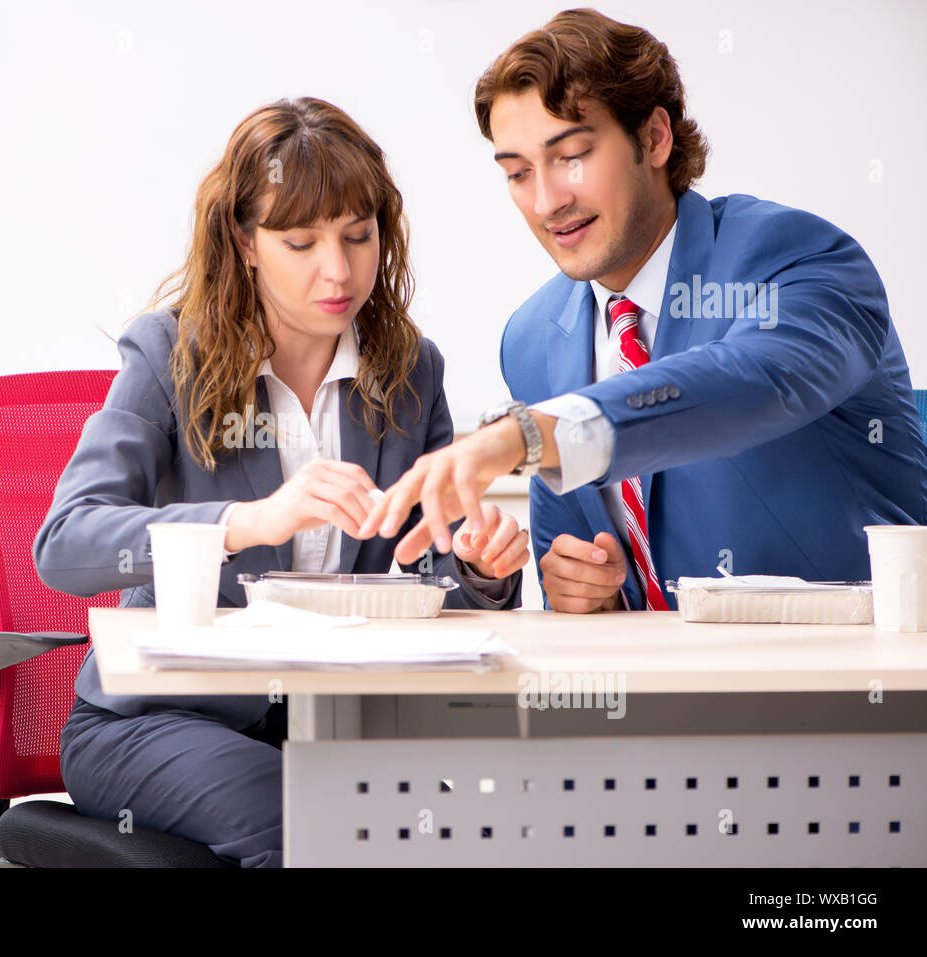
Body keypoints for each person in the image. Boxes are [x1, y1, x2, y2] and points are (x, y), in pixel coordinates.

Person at [33, 96, 529, 868]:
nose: (339, 270)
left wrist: (478, 570)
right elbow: (64, 545)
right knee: (319, 823)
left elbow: (428, 587)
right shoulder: (168, 354)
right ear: (245, 241)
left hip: (333, 721)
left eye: (358, 237)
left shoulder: (409, 373)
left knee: (485, 813)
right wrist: (250, 520)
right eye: (301, 242)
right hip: (157, 721)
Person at [359, 8, 927, 613]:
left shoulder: (799, 260)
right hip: (657, 694)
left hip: (855, 681)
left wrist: (524, 436)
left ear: (654, 138)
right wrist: (585, 590)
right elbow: (574, 568)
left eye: (572, 154)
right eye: (519, 173)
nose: (548, 201)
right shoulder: (532, 339)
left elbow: (751, 383)